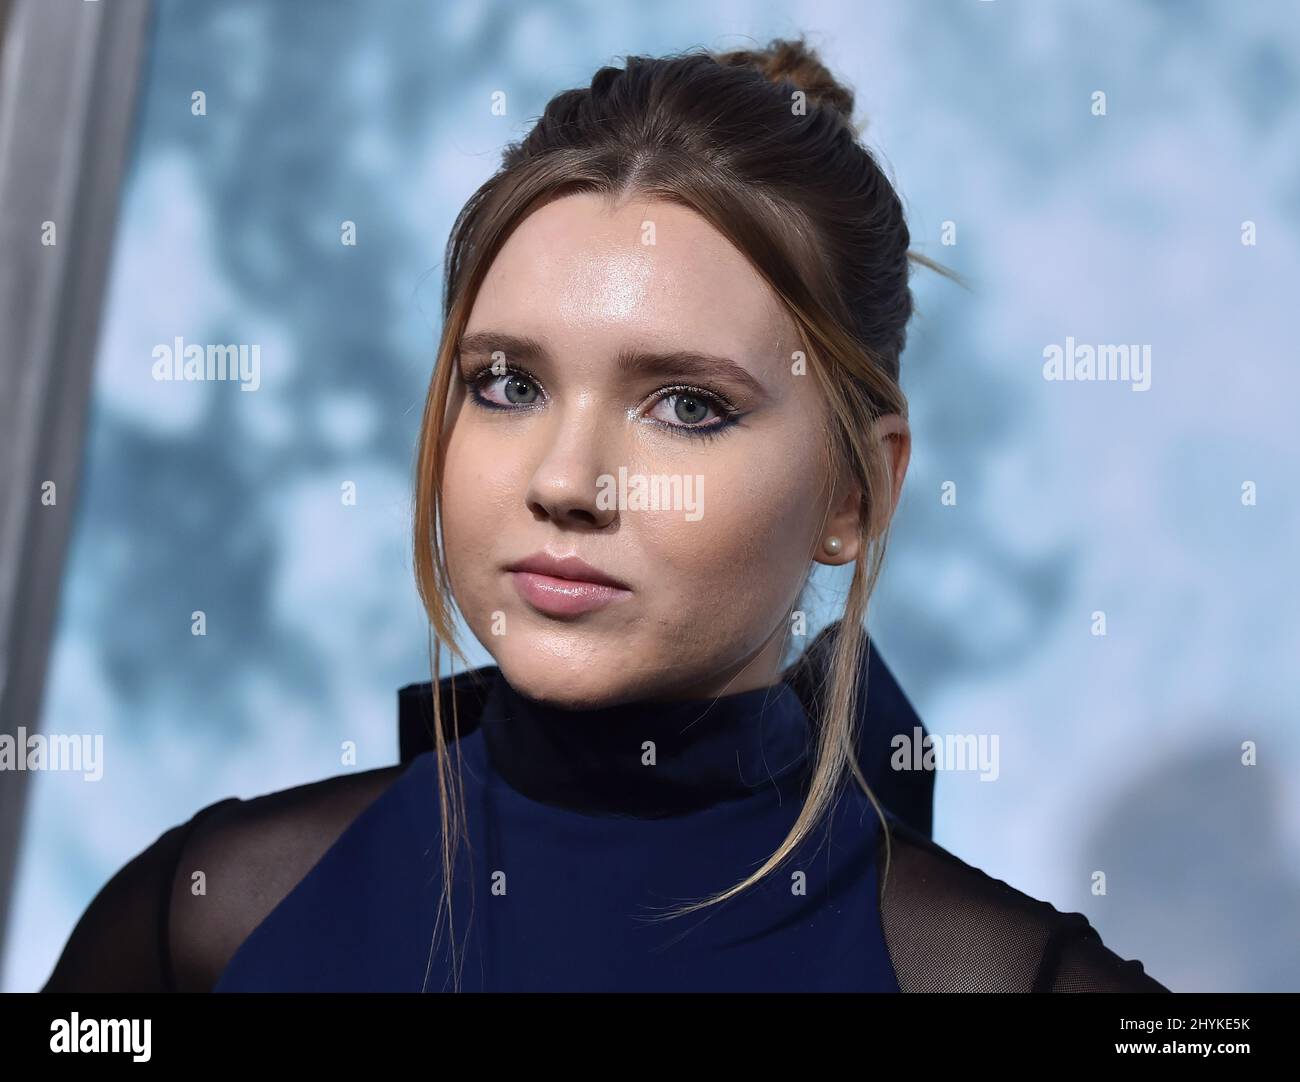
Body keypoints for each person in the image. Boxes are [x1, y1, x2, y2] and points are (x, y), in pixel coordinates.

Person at [41, 36, 1168, 993]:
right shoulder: (203, 917)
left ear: (852, 491)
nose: (567, 481)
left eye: (686, 404)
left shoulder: (1007, 982)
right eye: (508, 384)